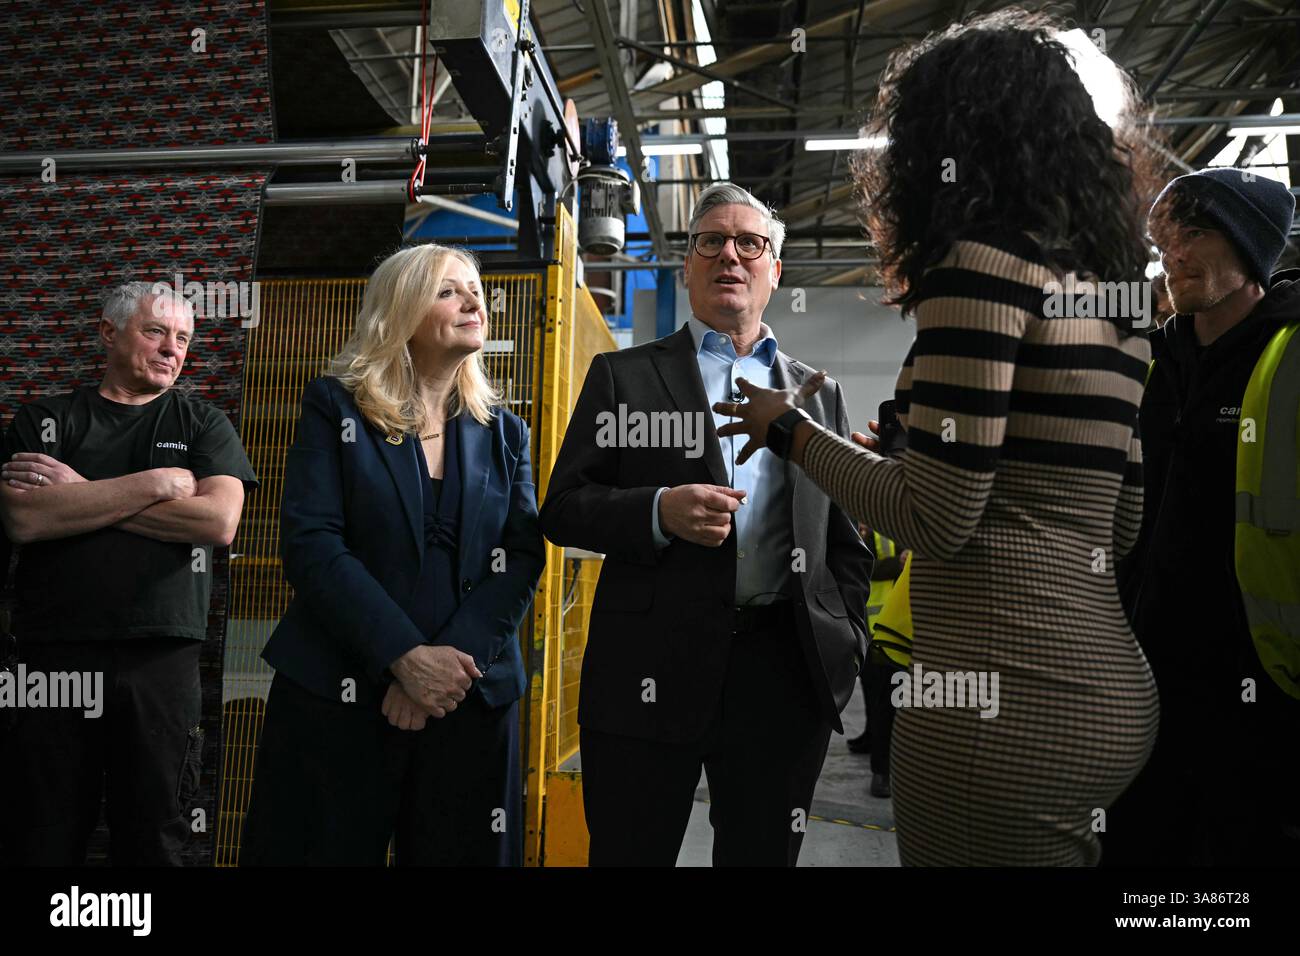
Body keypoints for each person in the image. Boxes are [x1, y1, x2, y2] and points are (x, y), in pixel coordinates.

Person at [711, 9, 1163, 865]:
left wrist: (790, 431)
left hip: (1002, 704)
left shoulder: (981, 270)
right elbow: (1121, 520)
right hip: (1109, 693)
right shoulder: (1108, 299)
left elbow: (937, 520)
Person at [539, 182, 872, 867]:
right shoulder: (623, 376)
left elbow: (846, 540)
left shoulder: (817, 393)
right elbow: (564, 506)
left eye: (750, 243)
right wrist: (657, 511)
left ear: (775, 270)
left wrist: (846, 637)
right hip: (646, 672)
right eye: (710, 241)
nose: (730, 254)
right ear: (685, 266)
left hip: (781, 676)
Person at [239, 244, 544, 867]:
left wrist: (439, 673)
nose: (473, 300)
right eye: (447, 290)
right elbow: (313, 545)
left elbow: (519, 557)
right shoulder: (334, 407)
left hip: (468, 698)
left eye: (475, 290)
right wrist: (402, 658)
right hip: (339, 691)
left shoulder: (507, 434)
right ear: (400, 310)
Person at [0, 281, 257, 865]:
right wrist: (156, 486)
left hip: (160, 659)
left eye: (184, 338)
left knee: (155, 835)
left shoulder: (202, 425)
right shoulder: (47, 423)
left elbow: (217, 521)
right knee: (41, 831)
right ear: (108, 333)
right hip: (52, 657)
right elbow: (24, 518)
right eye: (156, 332)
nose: (173, 349)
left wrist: (82, 497)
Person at [1107, 168, 1300, 866]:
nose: (1174, 255)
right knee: (1140, 852)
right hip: (1147, 670)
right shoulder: (1154, 362)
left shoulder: (1290, 352)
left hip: (1264, 684)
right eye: (1165, 240)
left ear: (1249, 244)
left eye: (1196, 234)